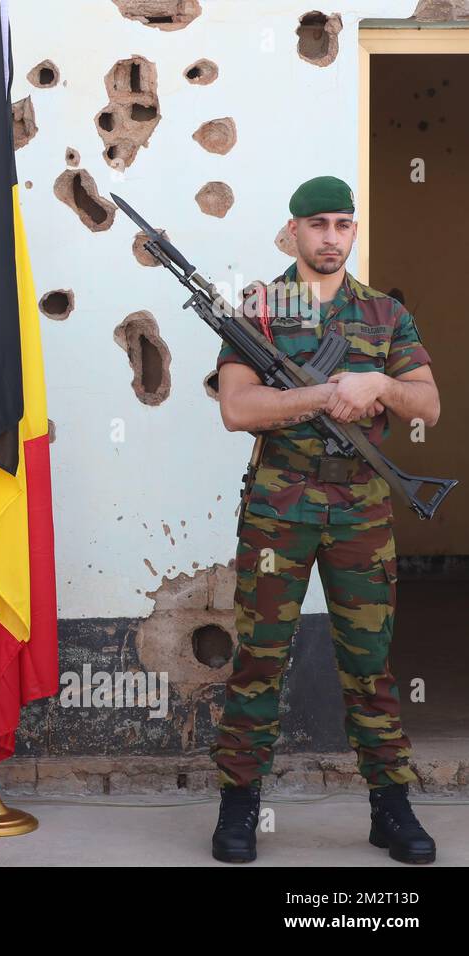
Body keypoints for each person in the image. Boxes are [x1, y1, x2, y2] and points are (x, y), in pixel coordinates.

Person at [209, 175, 441, 864]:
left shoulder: (384, 314)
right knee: (260, 659)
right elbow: (238, 409)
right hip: (280, 510)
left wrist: (379, 386)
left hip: (361, 512)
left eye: (343, 224)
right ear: (295, 231)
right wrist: (321, 396)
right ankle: (240, 806)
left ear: (354, 231)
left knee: (370, 665)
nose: (331, 237)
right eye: (319, 225)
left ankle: (391, 807)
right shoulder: (263, 306)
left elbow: (428, 406)